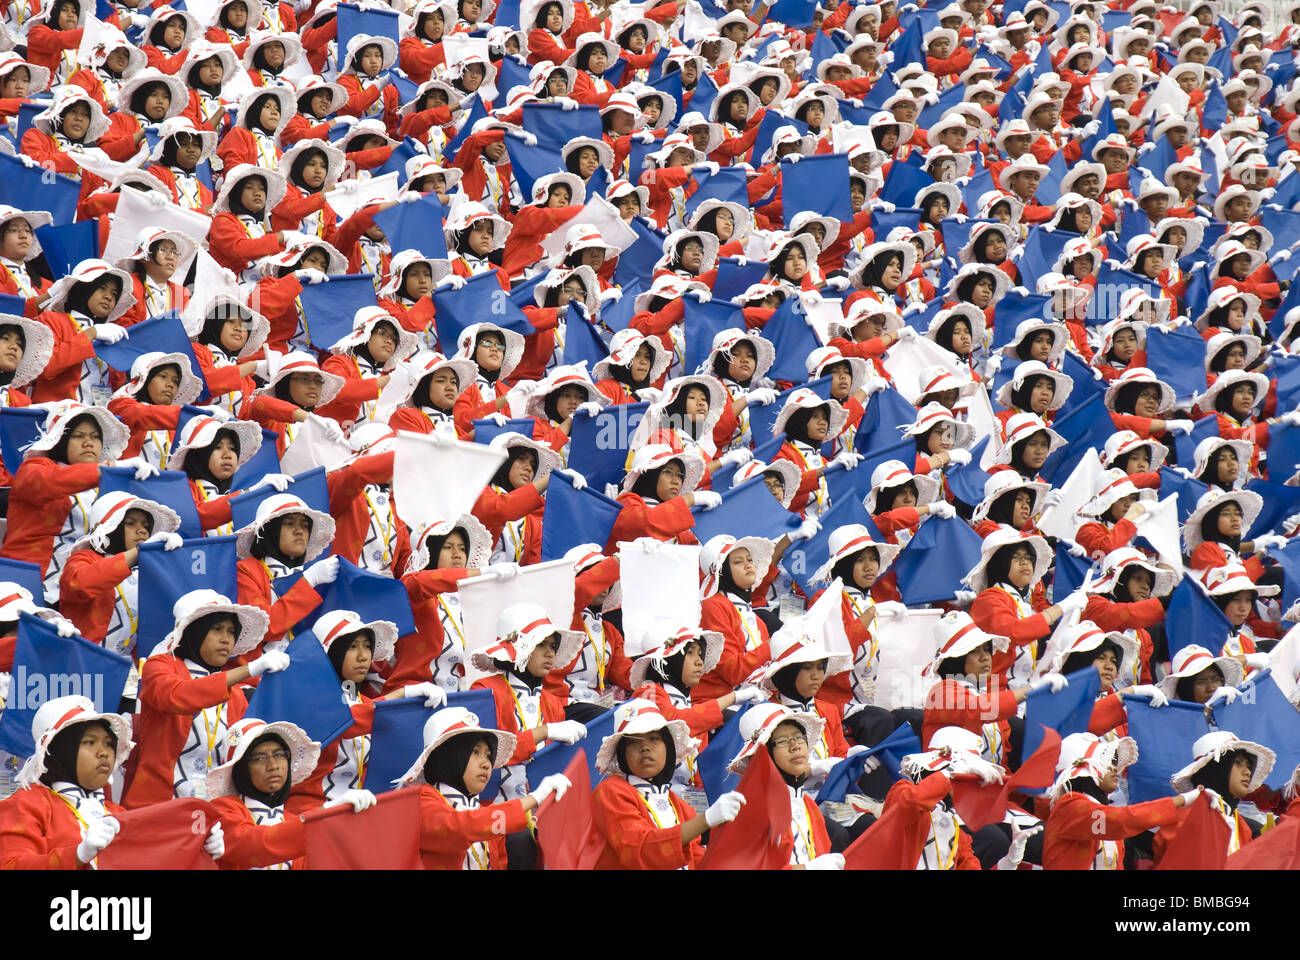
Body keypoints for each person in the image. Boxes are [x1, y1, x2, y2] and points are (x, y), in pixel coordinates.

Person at [0, 695, 221, 869]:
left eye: (108, 743)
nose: (104, 753)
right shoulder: (27, 804)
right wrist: (76, 855)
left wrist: (199, 844)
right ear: (60, 750)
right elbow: (10, 866)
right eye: (89, 742)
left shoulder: (117, 813)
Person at [396, 706, 571, 869]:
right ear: (448, 755)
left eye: (488, 756)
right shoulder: (422, 799)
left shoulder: (486, 815)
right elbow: (459, 828)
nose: (487, 764)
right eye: (475, 752)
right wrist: (534, 798)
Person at [590, 698, 747, 870]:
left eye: (654, 738)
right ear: (622, 754)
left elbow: (697, 860)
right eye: (633, 741)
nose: (645, 748)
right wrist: (706, 820)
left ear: (668, 748)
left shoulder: (682, 807)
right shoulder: (610, 791)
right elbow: (639, 850)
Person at [725, 703, 845, 869]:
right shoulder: (751, 806)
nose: (795, 746)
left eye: (798, 737)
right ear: (764, 753)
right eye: (782, 741)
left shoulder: (806, 803)